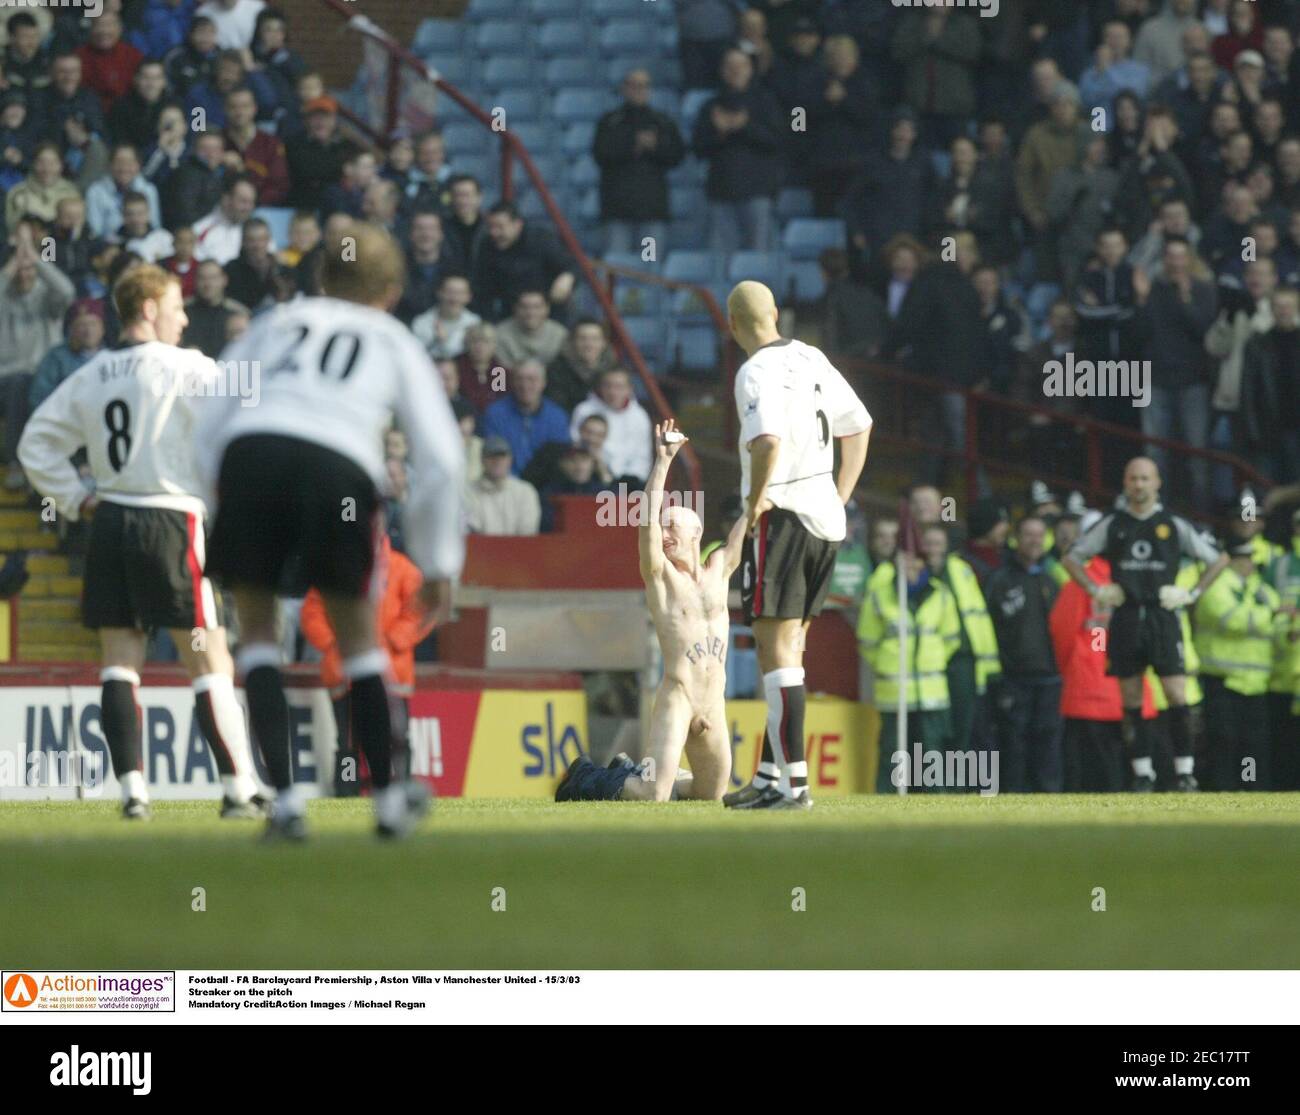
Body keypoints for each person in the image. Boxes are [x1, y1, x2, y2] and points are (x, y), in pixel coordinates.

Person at [195, 222, 464, 840]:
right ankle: (391, 800)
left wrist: (221, 498)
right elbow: (442, 459)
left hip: (251, 455)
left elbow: (212, 414)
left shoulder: (277, 320)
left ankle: (285, 804)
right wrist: (439, 563)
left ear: (322, 276)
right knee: (359, 638)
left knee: (258, 635)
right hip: (335, 465)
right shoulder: (392, 338)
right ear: (391, 291)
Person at [17, 264, 266, 822]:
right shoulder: (186, 367)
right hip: (171, 520)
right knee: (209, 657)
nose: (183, 319)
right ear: (150, 309)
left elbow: (36, 442)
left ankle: (132, 792)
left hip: (108, 519)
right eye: (177, 307)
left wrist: (76, 497)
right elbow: (246, 404)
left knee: (119, 660)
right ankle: (239, 788)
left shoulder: (93, 373)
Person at [723, 281, 872, 809]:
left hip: (782, 517)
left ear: (732, 324)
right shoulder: (811, 356)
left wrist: (754, 501)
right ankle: (768, 779)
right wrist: (840, 497)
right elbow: (859, 426)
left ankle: (796, 787)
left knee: (775, 649)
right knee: (792, 649)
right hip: (825, 521)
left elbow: (766, 441)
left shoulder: (754, 371)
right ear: (777, 315)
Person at [558, 420, 745, 802]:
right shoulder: (660, 576)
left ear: (697, 534)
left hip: (714, 700)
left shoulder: (720, 570)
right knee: (653, 794)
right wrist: (662, 463)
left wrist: (766, 482)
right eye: (664, 526)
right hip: (679, 696)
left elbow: (749, 524)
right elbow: (645, 524)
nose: (665, 532)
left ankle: (631, 769)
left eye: (673, 526)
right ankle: (587, 778)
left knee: (710, 794)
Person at [1063, 457, 1229, 791]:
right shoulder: (1113, 523)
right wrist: (1096, 589)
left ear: (1157, 483)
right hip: (1125, 615)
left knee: (1175, 692)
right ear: (1125, 483)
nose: (1139, 485)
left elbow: (1219, 558)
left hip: (1163, 614)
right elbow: (1071, 558)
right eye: (1133, 479)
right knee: (1131, 695)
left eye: (1145, 478)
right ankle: (1143, 773)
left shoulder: (1173, 524)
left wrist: (1192, 593)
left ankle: (1185, 772)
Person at [300, 531, 433, 797]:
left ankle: (399, 786)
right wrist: (334, 644)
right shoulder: (334, 566)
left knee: (397, 736)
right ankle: (348, 791)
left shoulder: (401, 568)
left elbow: (421, 609)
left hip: (391, 673)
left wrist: (393, 641)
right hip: (345, 671)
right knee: (349, 740)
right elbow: (312, 612)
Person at [1050, 520, 1156, 793]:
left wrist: (1071, 670)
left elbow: (1062, 631)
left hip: (1088, 692)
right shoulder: (1145, 578)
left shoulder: (1081, 581)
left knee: (1089, 781)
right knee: (1132, 775)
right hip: (1133, 690)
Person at [1194, 537, 1283, 790]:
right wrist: (1271, 615)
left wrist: (1271, 616)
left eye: (1250, 559)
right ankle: (1224, 788)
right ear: (1229, 560)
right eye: (1243, 559)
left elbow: (1276, 615)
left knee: (1253, 743)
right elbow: (1230, 620)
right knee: (1224, 740)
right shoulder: (1215, 587)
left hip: (1255, 682)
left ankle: (1252, 787)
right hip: (1221, 679)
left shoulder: (1259, 588)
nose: (1249, 565)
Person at [983, 516, 1064, 793]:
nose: (1034, 540)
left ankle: (1048, 797)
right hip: (1013, 679)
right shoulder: (999, 579)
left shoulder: (1053, 580)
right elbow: (985, 627)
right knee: (1012, 742)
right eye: (1028, 534)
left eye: (1040, 535)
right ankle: (1013, 797)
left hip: (1051, 678)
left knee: (1048, 741)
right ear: (1016, 538)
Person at [594, 68, 685, 255]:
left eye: (644, 86)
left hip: (651, 212)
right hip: (617, 211)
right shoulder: (610, 122)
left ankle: (648, 287)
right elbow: (600, 154)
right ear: (624, 88)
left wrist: (655, 146)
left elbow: (677, 155)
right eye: (634, 85)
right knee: (616, 266)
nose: (639, 90)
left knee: (648, 265)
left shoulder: (662, 122)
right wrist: (633, 144)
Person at [480, 360, 570, 477]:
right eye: (519, 379)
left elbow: (560, 460)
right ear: (512, 382)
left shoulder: (557, 417)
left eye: (532, 379)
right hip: (504, 483)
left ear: (543, 383)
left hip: (545, 487)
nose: (525, 385)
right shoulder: (495, 413)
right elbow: (492, 454)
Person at [568, 367, 652, 486]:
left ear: (629, 389)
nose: (613, 392)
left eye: (619, 387)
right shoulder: (584, 410)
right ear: (600, 387)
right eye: (608, 386)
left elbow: (642, 458)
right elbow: (576, 445)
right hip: (591, 476)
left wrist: (630, 481)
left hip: (629, 481)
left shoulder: (640, 417)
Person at [466, 437, 541, 536]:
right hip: (480, 550)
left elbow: (527, 534)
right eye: (491, 456)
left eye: (502, 456)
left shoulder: (526, 492)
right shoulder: (468, 491)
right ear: (482, 460)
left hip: (519, 550)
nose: (497, 461)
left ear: (510, 460)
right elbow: (472, 532)